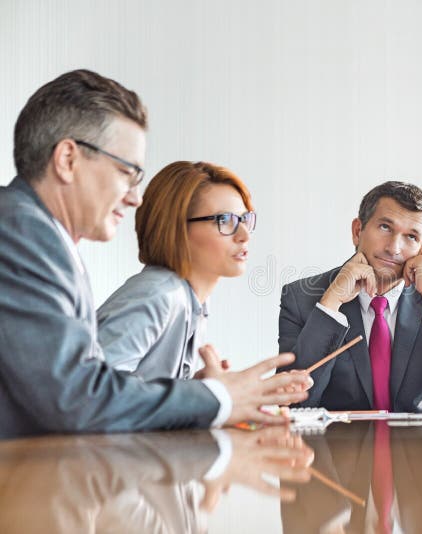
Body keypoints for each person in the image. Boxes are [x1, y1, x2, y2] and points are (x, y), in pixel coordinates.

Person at [0, 69, 311, 438]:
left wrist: (203, 394)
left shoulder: (40, 237)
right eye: (126, 172)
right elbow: (76, 399)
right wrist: (214, 397)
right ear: (68, 159)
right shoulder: (24, 235)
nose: (135, 197)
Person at [278, 181, 422, 411]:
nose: (394, 248)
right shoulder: (300, 299)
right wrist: (331, 304)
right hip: (339, 445)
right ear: (358, 231)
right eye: (385, 227)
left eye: (412, 237)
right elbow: (290, 402)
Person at [97, 161, 259, 381]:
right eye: (225, 220)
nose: (244, 235)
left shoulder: (192, 300)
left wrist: (196, 388)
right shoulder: (157, 296)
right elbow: (92, 397)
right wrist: (201, 396)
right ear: (177, 229)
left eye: (245, 219)